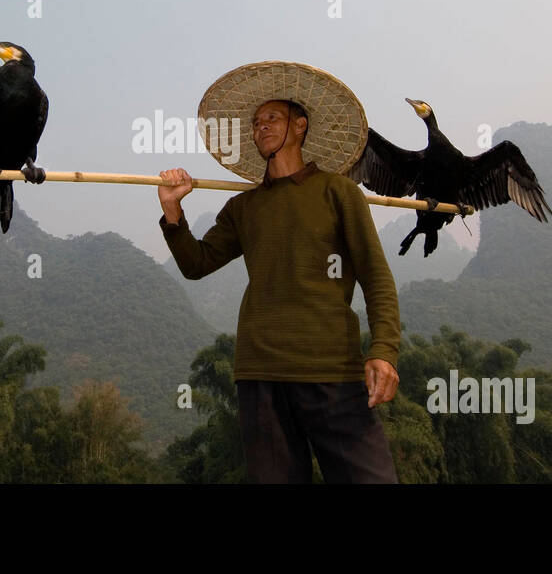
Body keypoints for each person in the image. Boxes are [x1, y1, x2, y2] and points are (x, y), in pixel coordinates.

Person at [157, 61, 401, 483]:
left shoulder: (337, 192)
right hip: (260, 375)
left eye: (272, 117)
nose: (262, 127)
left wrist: (383, 350)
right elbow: (196, 264)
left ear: (300, 125)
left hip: (331, 370)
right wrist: (173, 210)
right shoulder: (244, 208)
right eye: (256, 123)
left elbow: (375, 276)